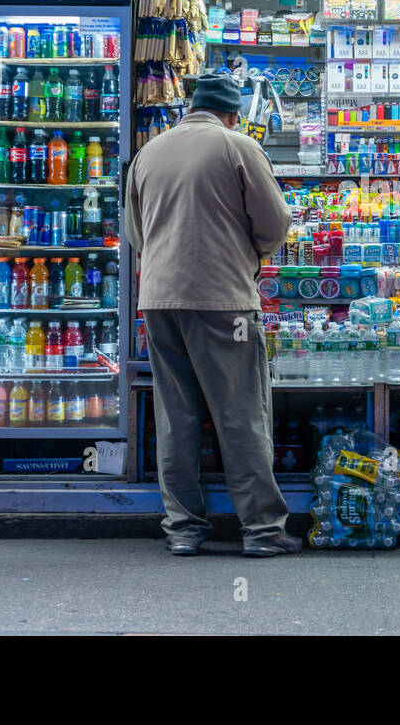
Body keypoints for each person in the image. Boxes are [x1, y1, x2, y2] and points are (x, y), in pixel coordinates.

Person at [125, 72, 298, 558]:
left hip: (158, 300)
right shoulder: (237, 146)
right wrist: (249, 251)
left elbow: (137, 234)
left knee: (175, 414)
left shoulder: (148, 153)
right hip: (223, 301)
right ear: (231, 114)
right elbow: (274, 224)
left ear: (191, 109)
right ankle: (262, 531)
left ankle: (182, 529)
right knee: (240, 411)